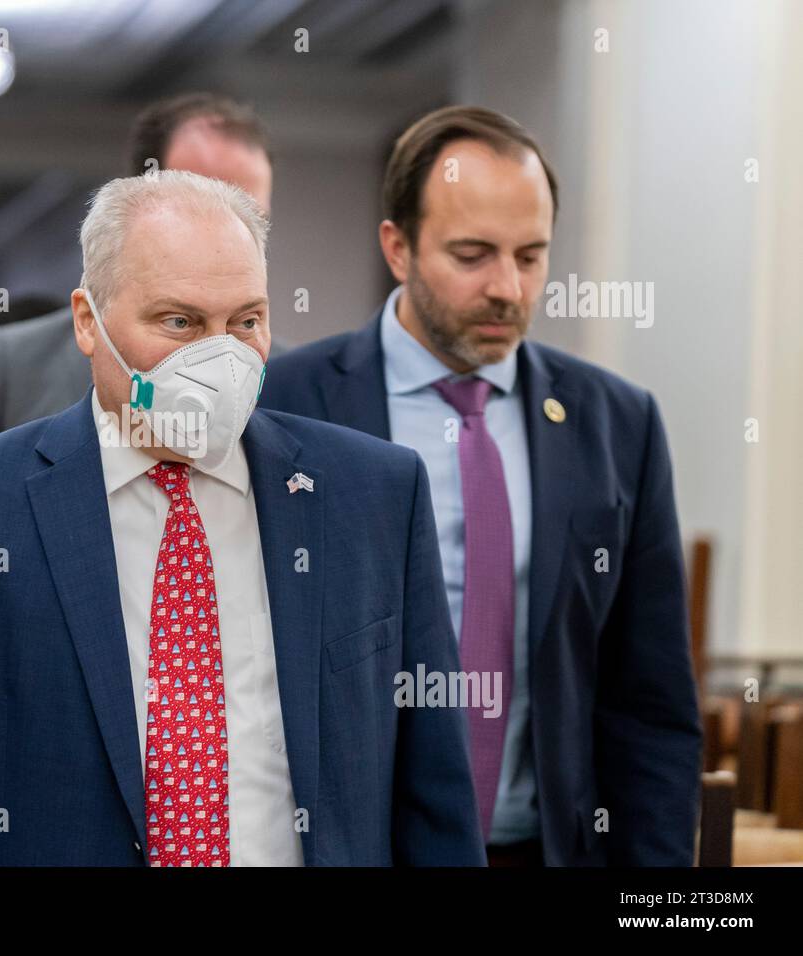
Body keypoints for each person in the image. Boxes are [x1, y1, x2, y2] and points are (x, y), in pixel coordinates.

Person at [0, 171, 484, 866]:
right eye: (180, 321)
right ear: (88, 322)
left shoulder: (373, 497)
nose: (221, 356)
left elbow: (435, 800)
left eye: (247, 322)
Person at [260, 106, 702, 866]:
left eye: (531, 257)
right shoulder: (284, 403)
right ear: (397, 248)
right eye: (473, 255)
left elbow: (650, 702)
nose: (507, 287)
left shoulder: (616, 424)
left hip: (543, 846)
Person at [0, 91, 275, 458]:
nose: (223, 225)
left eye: (250, 214)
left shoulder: (293, 374)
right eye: (193, 199)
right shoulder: (14, 363)